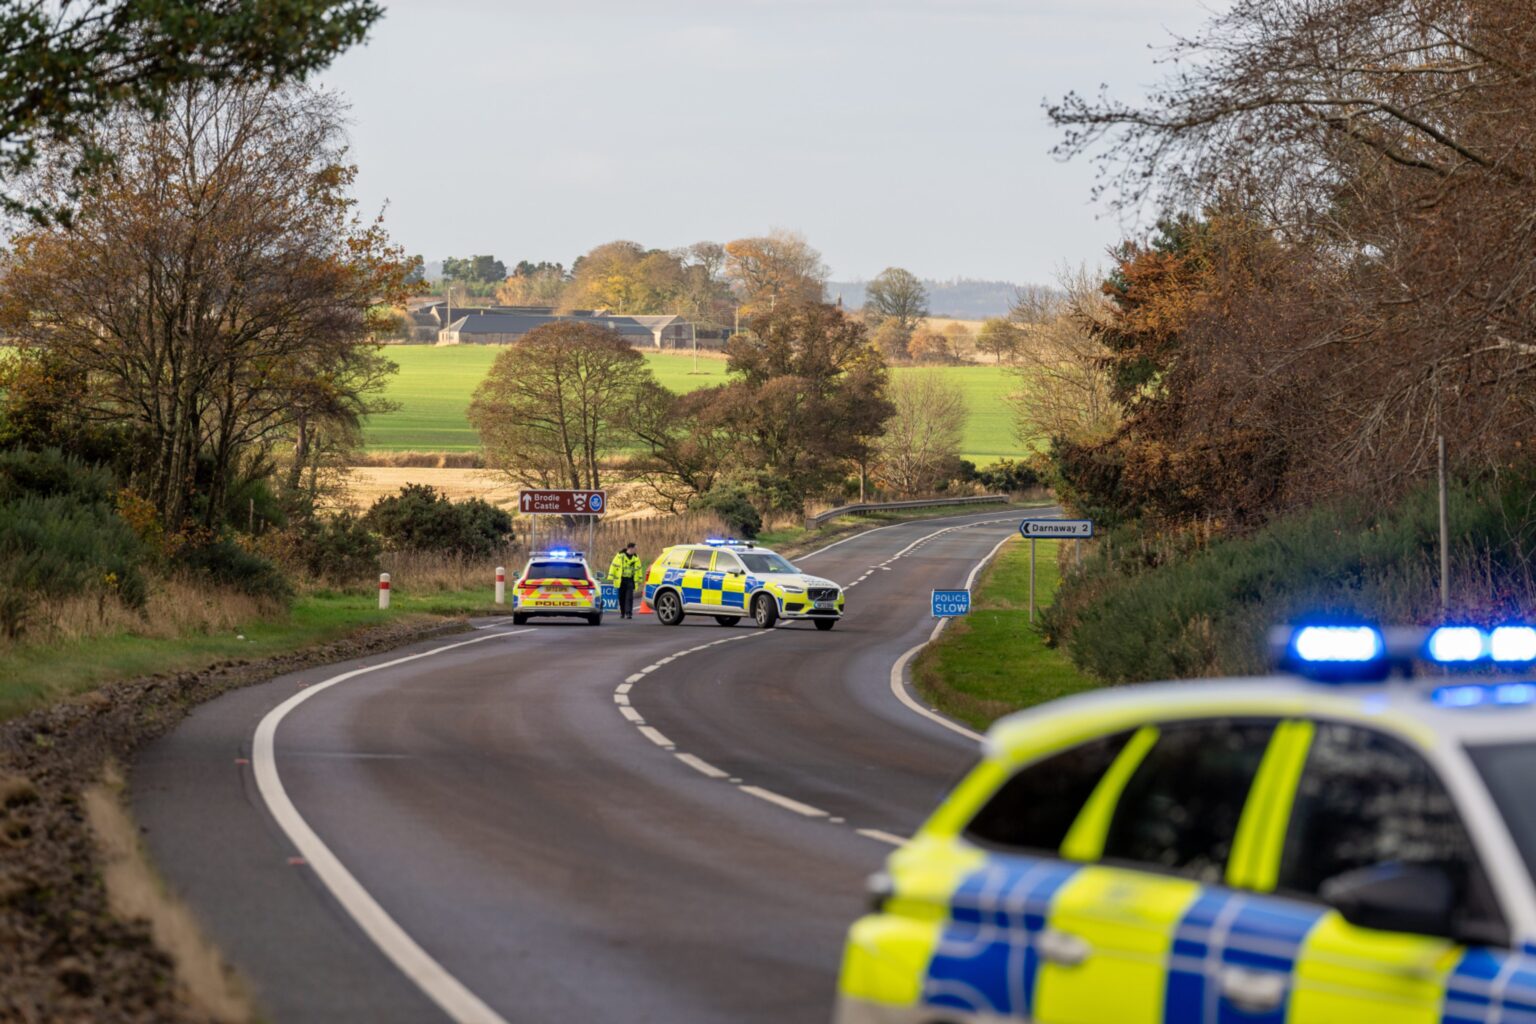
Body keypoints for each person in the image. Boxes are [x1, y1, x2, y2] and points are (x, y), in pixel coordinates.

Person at [607, 542, 643, 619]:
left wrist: (639, 580)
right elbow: (613, 566)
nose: (636, 550)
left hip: (630, 580)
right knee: (621, 597)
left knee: (629, 597)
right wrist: (610, 577)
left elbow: (639, 569)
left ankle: (629, 613)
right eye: (635, 548)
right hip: (621, 580)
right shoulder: (620, 556)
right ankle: (623, 612)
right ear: (630, 548)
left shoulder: (636, 558)